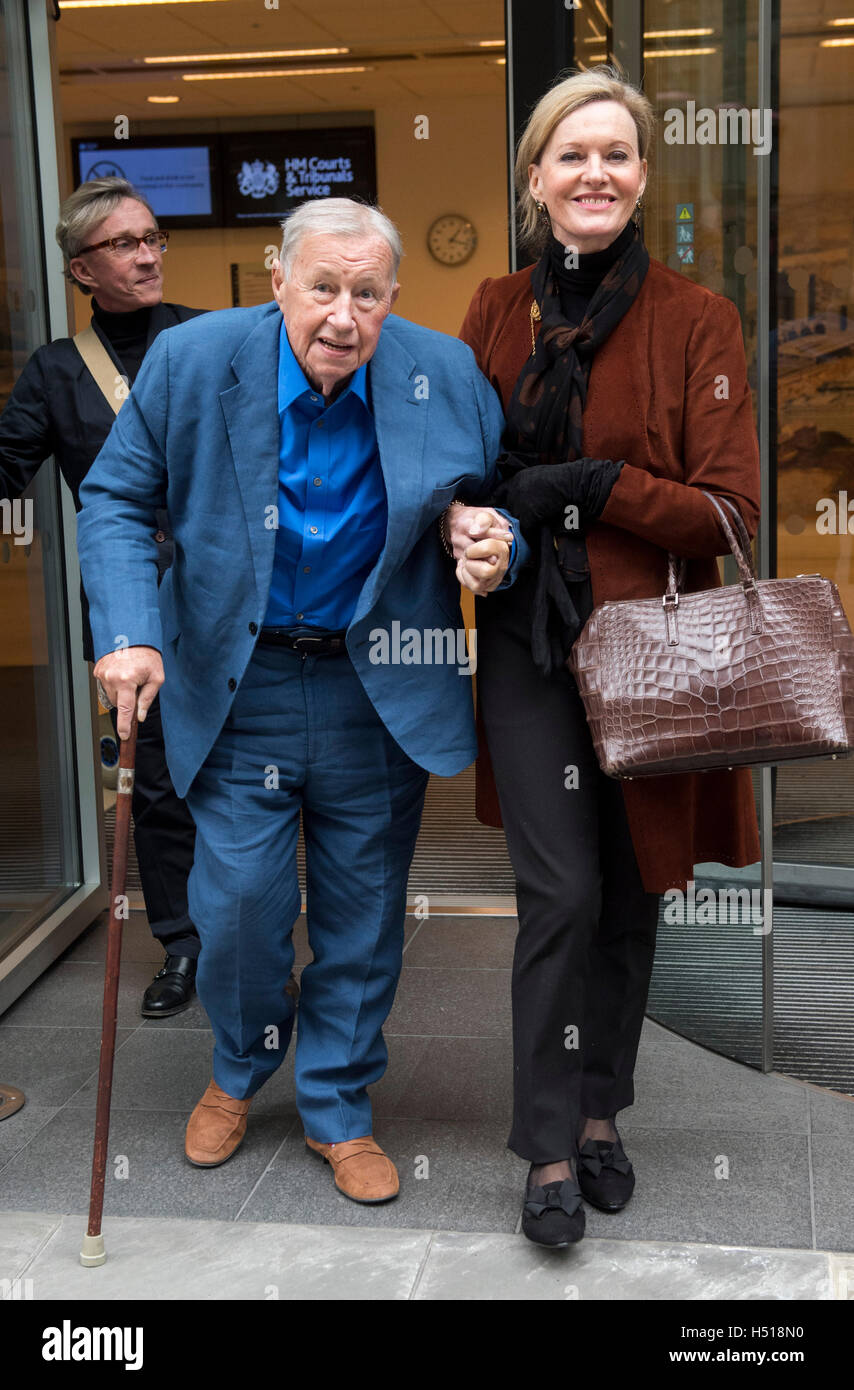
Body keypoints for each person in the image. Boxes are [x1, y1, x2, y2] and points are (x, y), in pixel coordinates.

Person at [76, 197, 527, 1204]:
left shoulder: (440, 374)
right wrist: (128, 631)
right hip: (243, 683)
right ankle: (240, 1066)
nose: (342, 314)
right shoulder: (195, 363)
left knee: (363, 915)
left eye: (366, 292)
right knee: (235, 907)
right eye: (321, 286)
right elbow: (112, 498)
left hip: (376, 683)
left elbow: (505, 497)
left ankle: (334, 1101)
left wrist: (495, 541)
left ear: (392, 297)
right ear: (276, 278)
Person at [457, 66, 761, 1248]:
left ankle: (598, 1114)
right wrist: (469, 518)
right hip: (532, 643)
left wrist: (591, 485)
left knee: (632, 887)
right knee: (560, 893)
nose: (594, 174)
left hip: (657, 652)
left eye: (616, 155)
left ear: (641, 177)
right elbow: (466, 472)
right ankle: (543, 1142)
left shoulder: (697, 317)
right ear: (535, 178)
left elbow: (728, 513)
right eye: (570, 154)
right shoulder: (493, 307)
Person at [0, 177, 204, 1018]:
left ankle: (249, 943)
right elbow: (3, 470)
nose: (148, 254)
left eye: (153, 238)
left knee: (239, 770)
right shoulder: (54, 372)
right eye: (125, 244)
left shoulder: (208, 336)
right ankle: (182, 945)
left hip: (224, 596)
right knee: (150, 780)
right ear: (83, 269)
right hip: (126, 606)